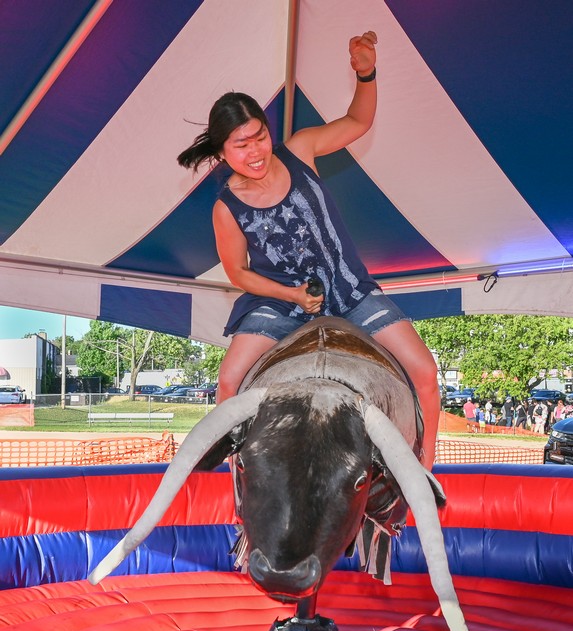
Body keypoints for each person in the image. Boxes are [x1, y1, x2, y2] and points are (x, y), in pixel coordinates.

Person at [177, 31, 440, 468]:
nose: (255, 151)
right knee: (228, 380)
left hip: (350, 291)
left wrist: (365, 73)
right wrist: (293, 296)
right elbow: (238, 274)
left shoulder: (301, 149)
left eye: (259, 137)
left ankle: (425, 473)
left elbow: (358, 122)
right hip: (278, 303)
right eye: (241, 145)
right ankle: (236, 481)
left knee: (426, 373)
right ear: (223, 152)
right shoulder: (227, 208)